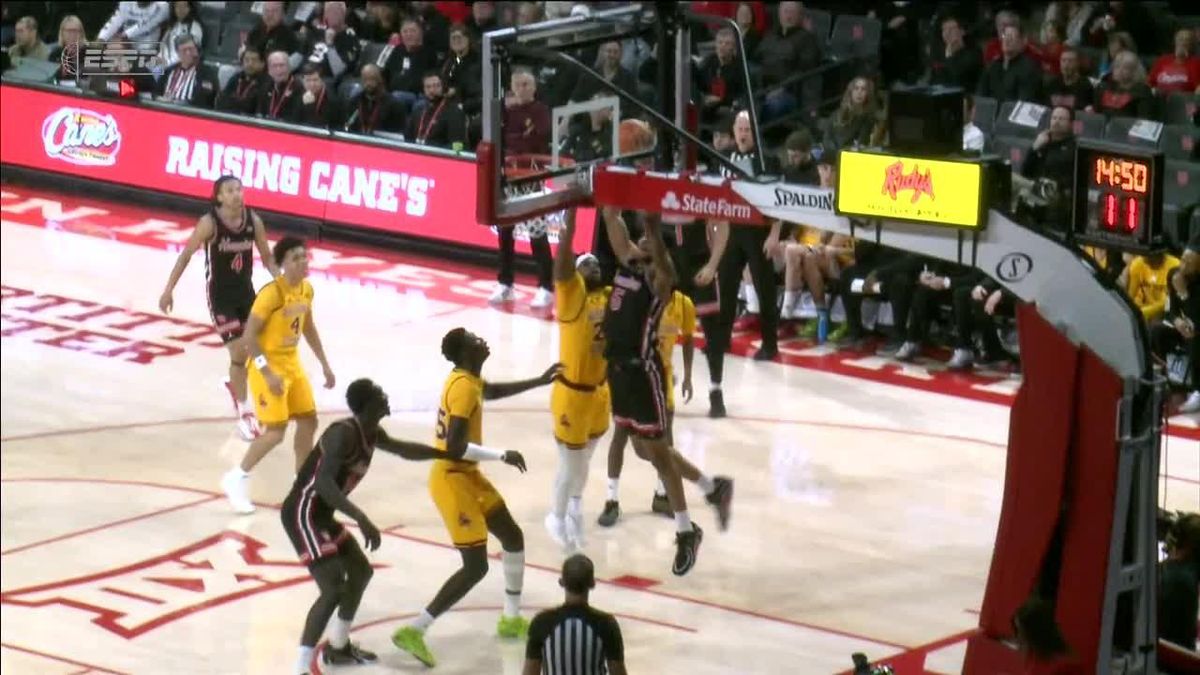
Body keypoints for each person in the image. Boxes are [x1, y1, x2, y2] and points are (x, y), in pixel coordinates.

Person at [391, 328, 558, 666]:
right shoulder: (464, 387)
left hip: (466, 473)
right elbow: (454, 447)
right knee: (476, 566)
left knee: (512, 535)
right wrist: (502, 455)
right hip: (452, 478)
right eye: (473, 340)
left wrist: (538, 381)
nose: (481, 340)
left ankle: (511, 618)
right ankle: (416, 629)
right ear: (465, 354)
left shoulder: (467, 379)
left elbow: (491, 391)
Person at [599, 207, 733, 575]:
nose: (639, 242)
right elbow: (613, 223)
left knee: (658, 454)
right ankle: (712, 487)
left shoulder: (659, 281)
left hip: (644, 374)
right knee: (643, 448)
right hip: (619, 372)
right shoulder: (629, 264)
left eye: (646, 242)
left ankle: (686, 531)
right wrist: (611, 197)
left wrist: (655, 231)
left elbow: (663, 265)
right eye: (638, 240)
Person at [284, 378, 446, 674]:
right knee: (332, 589)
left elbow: (402, 449)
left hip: (321, 514)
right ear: (366, 405)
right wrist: (360, 517)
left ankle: (338, 647)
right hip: (303, 511)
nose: (385, 396)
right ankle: (300, 668)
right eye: (379, 394)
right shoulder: (342, 435)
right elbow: (322, 483)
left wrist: (443, 454)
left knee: (360, 571)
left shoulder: (371, 432)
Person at [221, 237, 336, 514]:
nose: (303, 261)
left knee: (309, 421)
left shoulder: (307, 290)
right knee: (276, 432)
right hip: (267, 366)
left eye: (304, 256)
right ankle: (236, 477)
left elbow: (308, 327)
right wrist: (266, 372)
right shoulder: (271, 294)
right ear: (282, 264)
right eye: (296, 257)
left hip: (291, 364)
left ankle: (302, 485)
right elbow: (249, 337)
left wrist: (324, 363)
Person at [159, 176, 279, 441]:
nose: (237, 194)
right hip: (220, 297)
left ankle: (236, 384)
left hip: (246, 294)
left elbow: (267, 256)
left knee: (260, 348)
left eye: (239, 189)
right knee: (239, 351)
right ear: (219, 197)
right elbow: (186, 255)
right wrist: (169, 289)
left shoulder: (253, 221)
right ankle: (245, 413)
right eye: (230, 191)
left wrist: (281, 283)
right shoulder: (209, 223)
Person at [598, 286, 696, 526]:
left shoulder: (684, 305)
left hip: (661, 380)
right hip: (633, 375)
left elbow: (689, 340)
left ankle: (662, 495)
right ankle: (611, 499)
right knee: (623, 437)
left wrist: (687, 376)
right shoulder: (641, 298)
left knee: (665, 441)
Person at [545, 210, 611, 551]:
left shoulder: (610, 295)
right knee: (571, 465)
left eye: (597, 265)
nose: (594, 268)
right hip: (571, 393)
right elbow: (562, 264)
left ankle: (572, 506)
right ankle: (554, 516)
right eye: (587, 265)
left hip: (600, 393)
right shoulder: (572, 297)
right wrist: (570, 218)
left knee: (584, 463)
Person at [522, 554, 627, 675]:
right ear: (592, 583)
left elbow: (530, 672)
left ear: (561, 582)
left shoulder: (541, 622)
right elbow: (618, 671)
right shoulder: (606, 624)